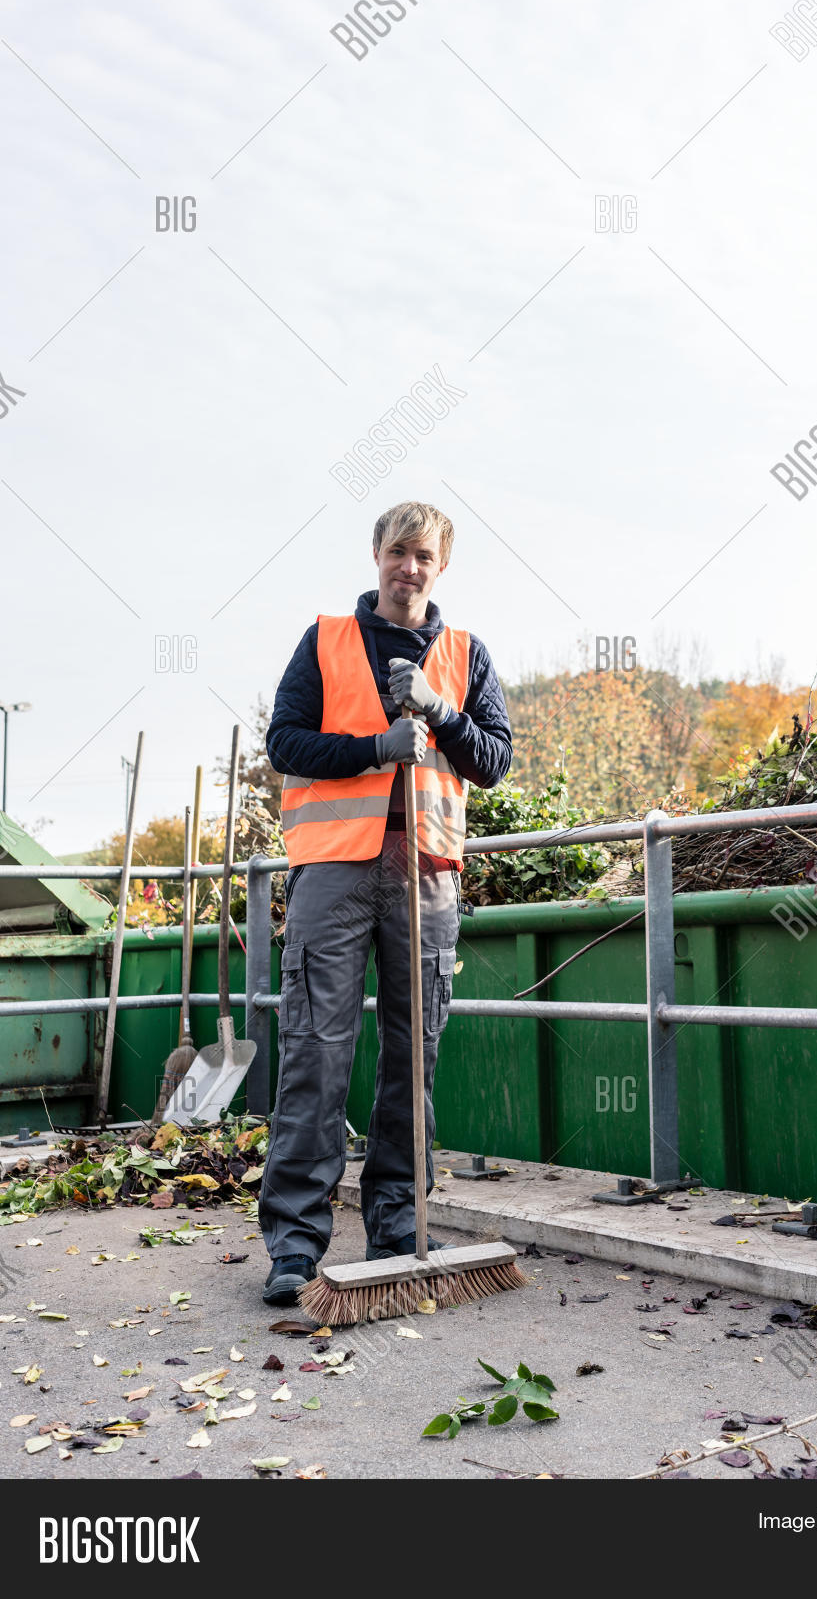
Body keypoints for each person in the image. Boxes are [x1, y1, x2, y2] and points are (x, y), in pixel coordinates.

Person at [258, 500, 513, 1305]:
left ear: (441, 566)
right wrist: (375, 747)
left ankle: (399, 1230)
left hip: (425, 874)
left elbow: (494, 760)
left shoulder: (465, 654)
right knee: (315, 1051)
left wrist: (439, 713)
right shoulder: (326, 640)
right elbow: (284, 741)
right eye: (399, 551)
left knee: (414, 1057)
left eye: (424, 556)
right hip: (333, 871)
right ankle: (295, 1246)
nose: (410, 567)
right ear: (376, 555)